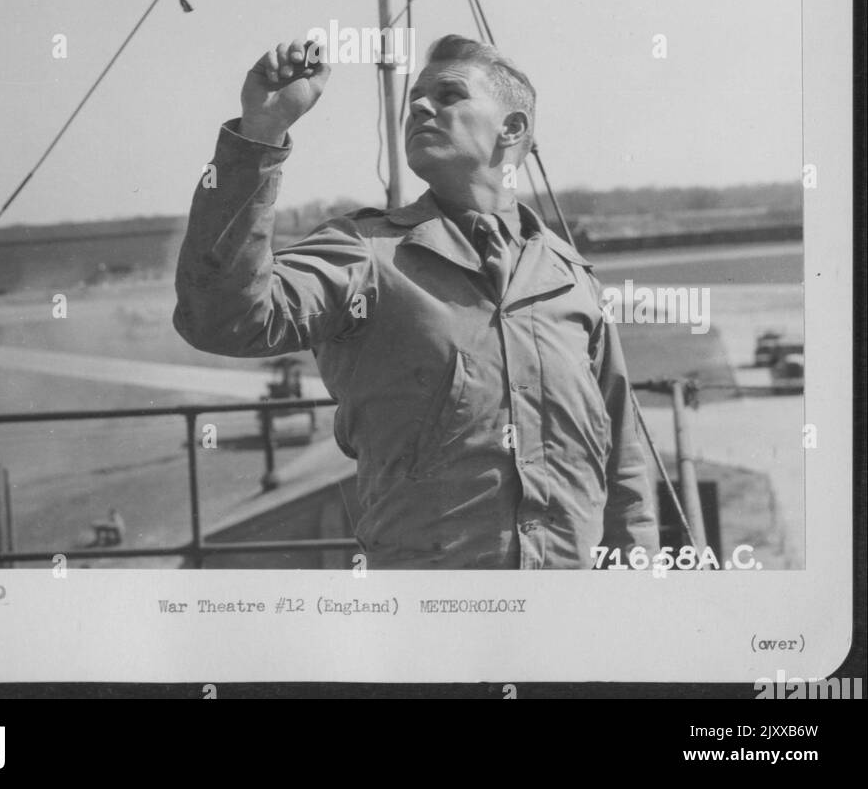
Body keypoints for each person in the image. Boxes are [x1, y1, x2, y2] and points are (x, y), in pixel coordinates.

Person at [173, 34, 658, 570]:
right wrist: (259, 134)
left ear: (512, 129)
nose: (421, 106)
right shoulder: (366, 254)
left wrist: (634, 587)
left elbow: (622, 453)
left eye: (449, 95)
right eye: (416, 99)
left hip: (571, 613)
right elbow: (223, 318)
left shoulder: (569, 277)